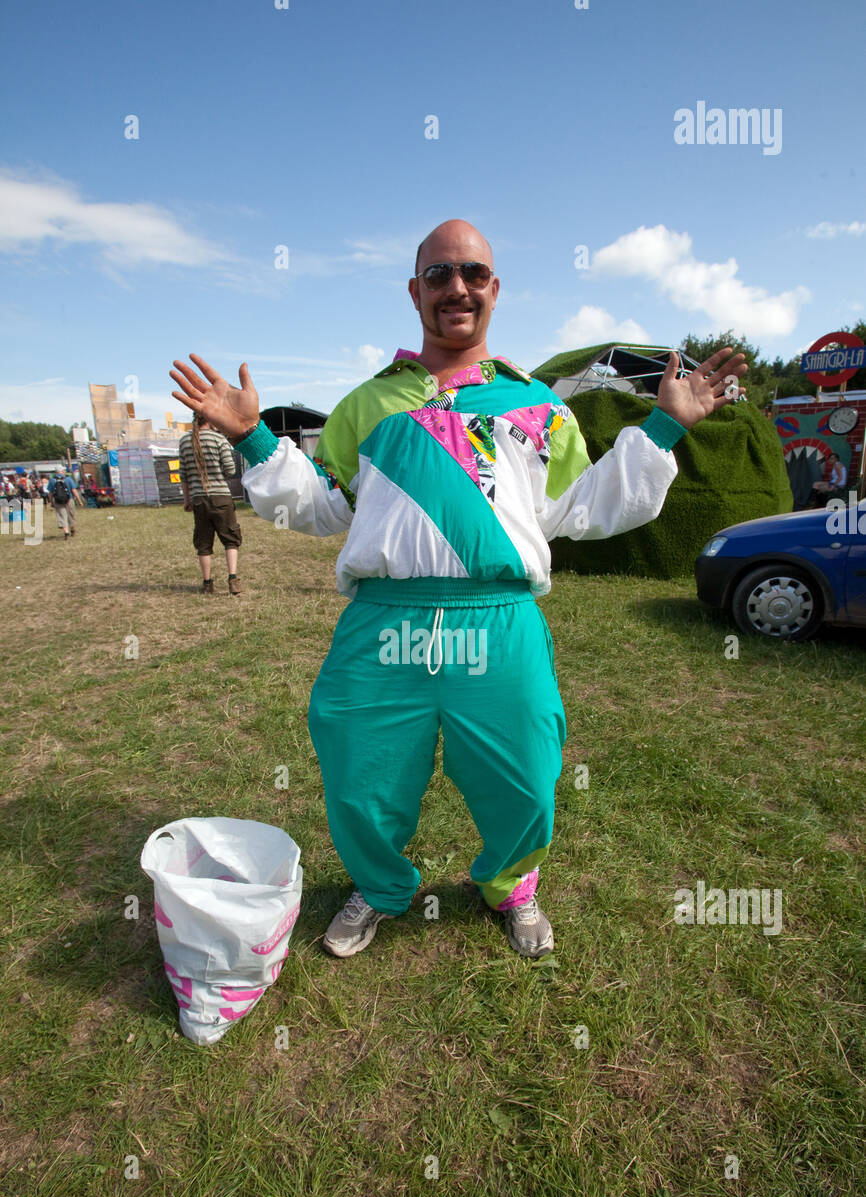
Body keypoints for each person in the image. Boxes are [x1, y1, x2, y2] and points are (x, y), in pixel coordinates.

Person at [171, 219, 746, 961]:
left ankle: (510, 885)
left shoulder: (538, 404)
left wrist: (666, 426)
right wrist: (254, 440)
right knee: (359, 775)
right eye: (439, 275)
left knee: (529, 779)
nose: (457, 288)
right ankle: (380, 888)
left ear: (495, 289)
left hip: (498, 621)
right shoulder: (365, 405)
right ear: (416, 291)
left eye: (473, 272)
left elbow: (584, 506)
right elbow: (323, 508)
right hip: (385, 624)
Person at [177, 415, 243, 594]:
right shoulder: (219, 439)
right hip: (221, 497)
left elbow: (183, 475)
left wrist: (187, 500)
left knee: (203, 544)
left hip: (199, 499)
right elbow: (231, 469)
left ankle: (207, 583)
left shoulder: (184, 441)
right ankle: (233, 580)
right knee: (230, 539)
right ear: (210, 419)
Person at [48, 467, 83, 538]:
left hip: (58, 501)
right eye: (64, 470)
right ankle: (72, 527)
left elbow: (50, 493)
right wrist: (79, 501)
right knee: (71, 515)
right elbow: (74, 491)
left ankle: (66, 531)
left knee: (61, 516)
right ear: (62, 471)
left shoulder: (52, 480)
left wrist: (51, 502)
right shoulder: (68, 479)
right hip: (69, 500)